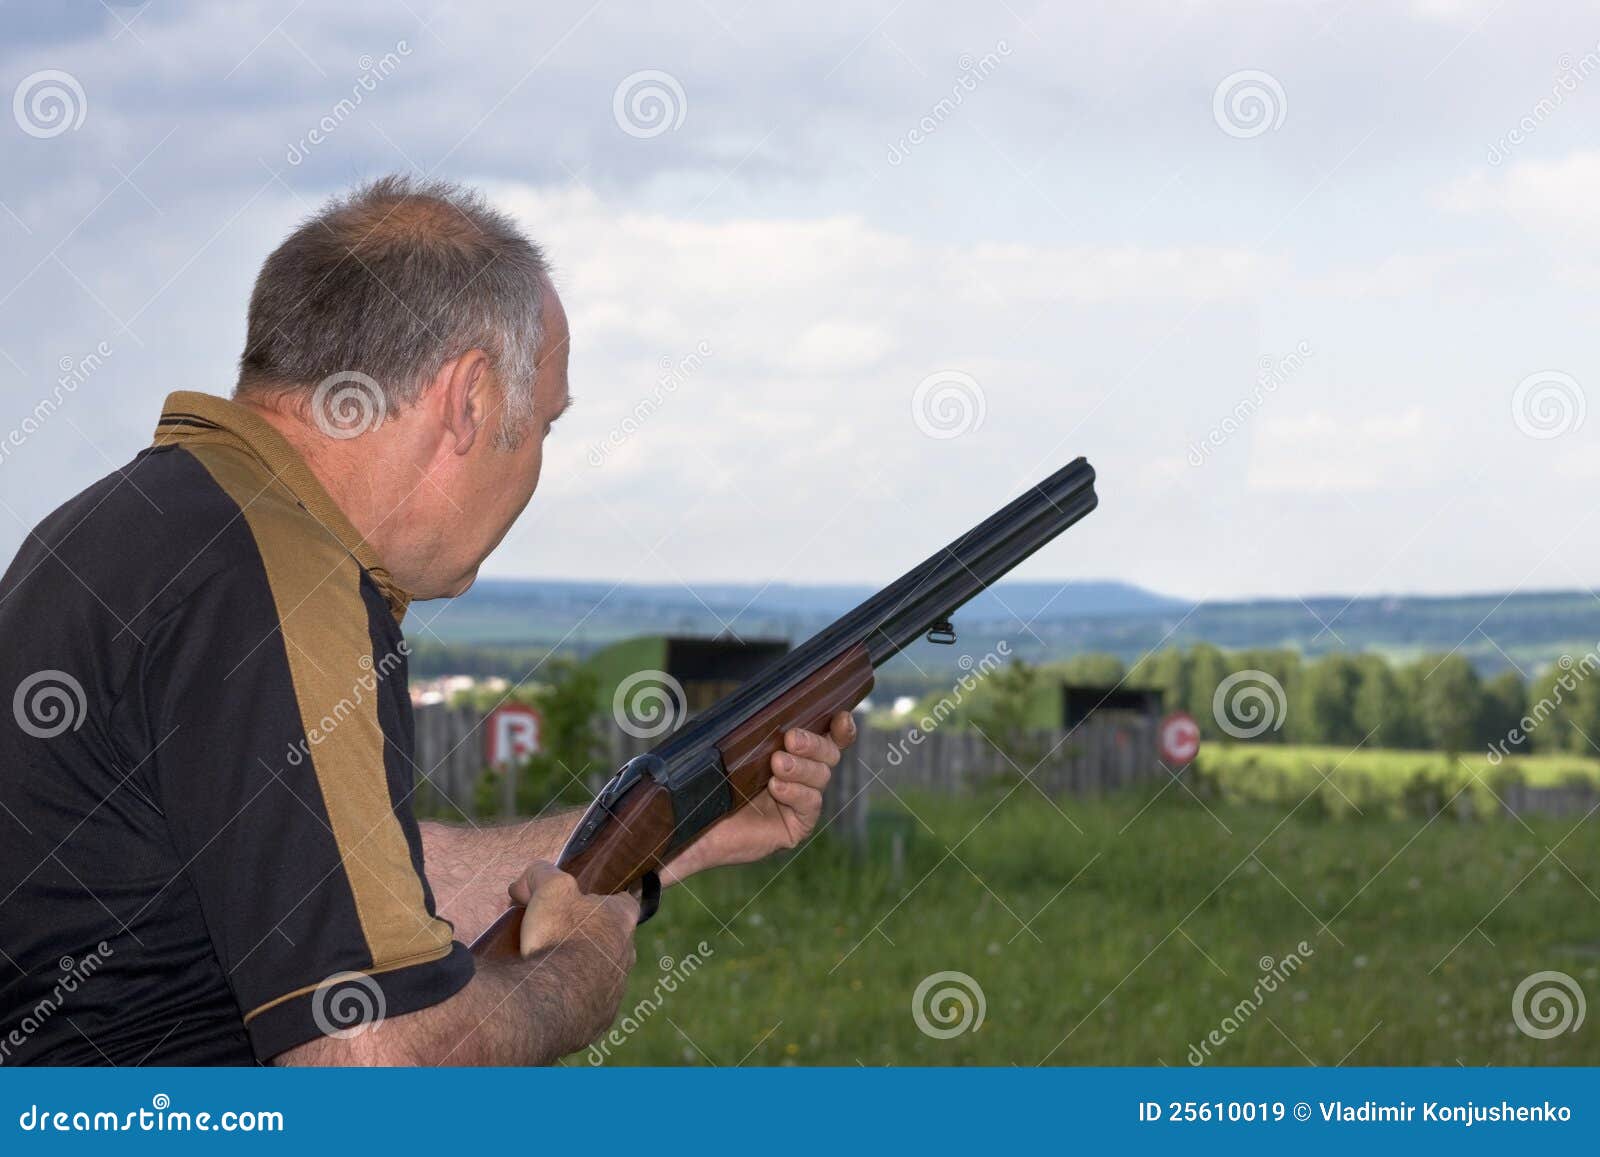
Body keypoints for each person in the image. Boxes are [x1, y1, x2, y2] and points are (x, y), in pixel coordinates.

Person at [0, 176, 855, 1066]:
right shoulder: (287, 584)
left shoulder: (130, 529)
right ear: (471, 397)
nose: (534, 468)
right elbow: (372, 1065)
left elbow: (340, 878)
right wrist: (582, 967)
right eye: (545, 427)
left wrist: (662, 838)